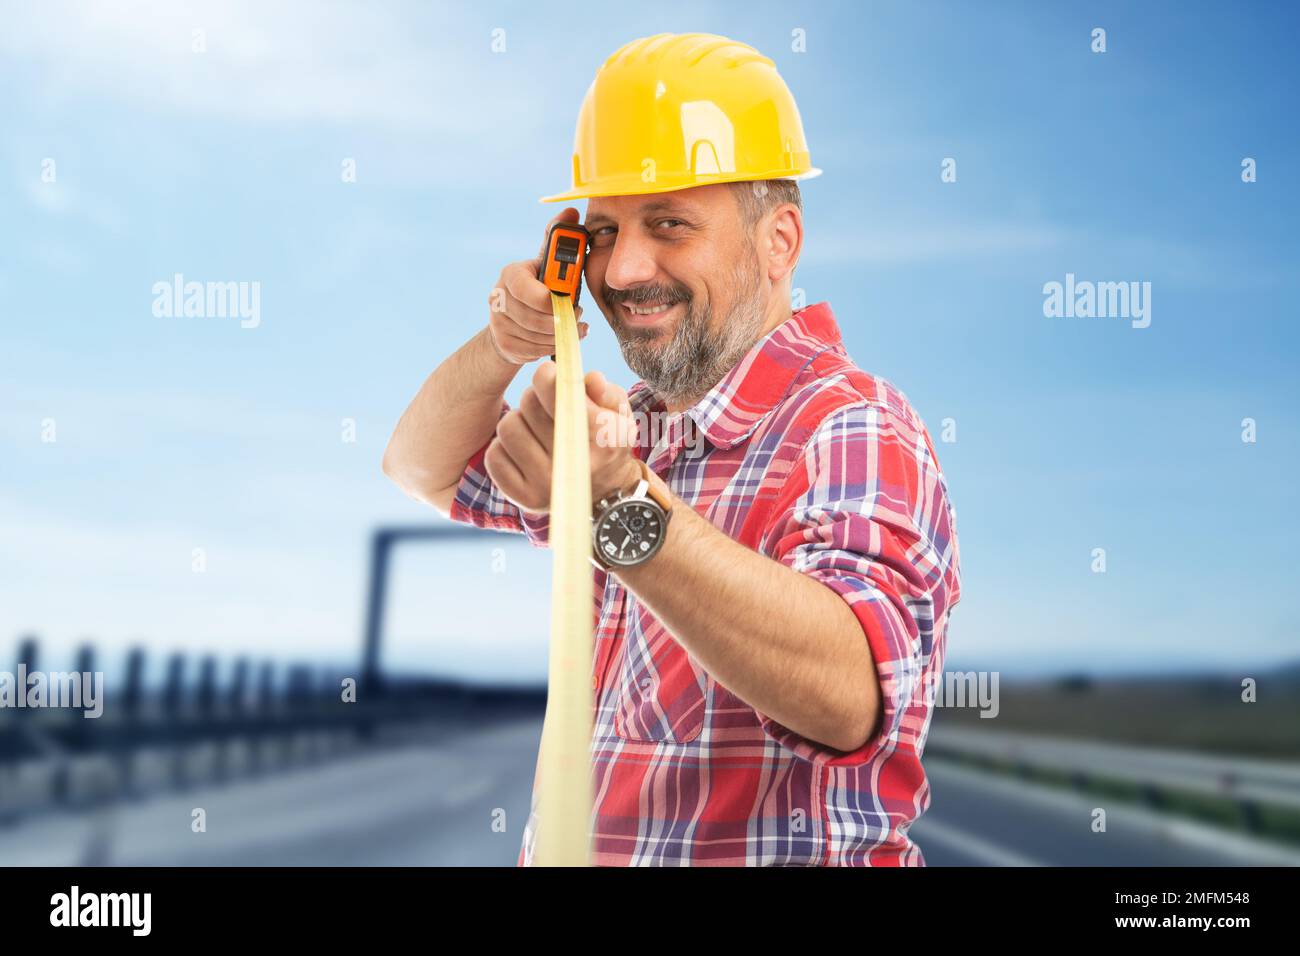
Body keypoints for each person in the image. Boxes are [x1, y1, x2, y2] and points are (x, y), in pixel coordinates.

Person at [383, 32, 961, 866]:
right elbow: (418, 467)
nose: (622, 271)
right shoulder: (629, 427)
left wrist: (618, 501)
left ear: (780, 241)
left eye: (669, 225)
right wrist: (504, 343)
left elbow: (849, 696)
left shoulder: (851, 426)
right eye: (605, 231)